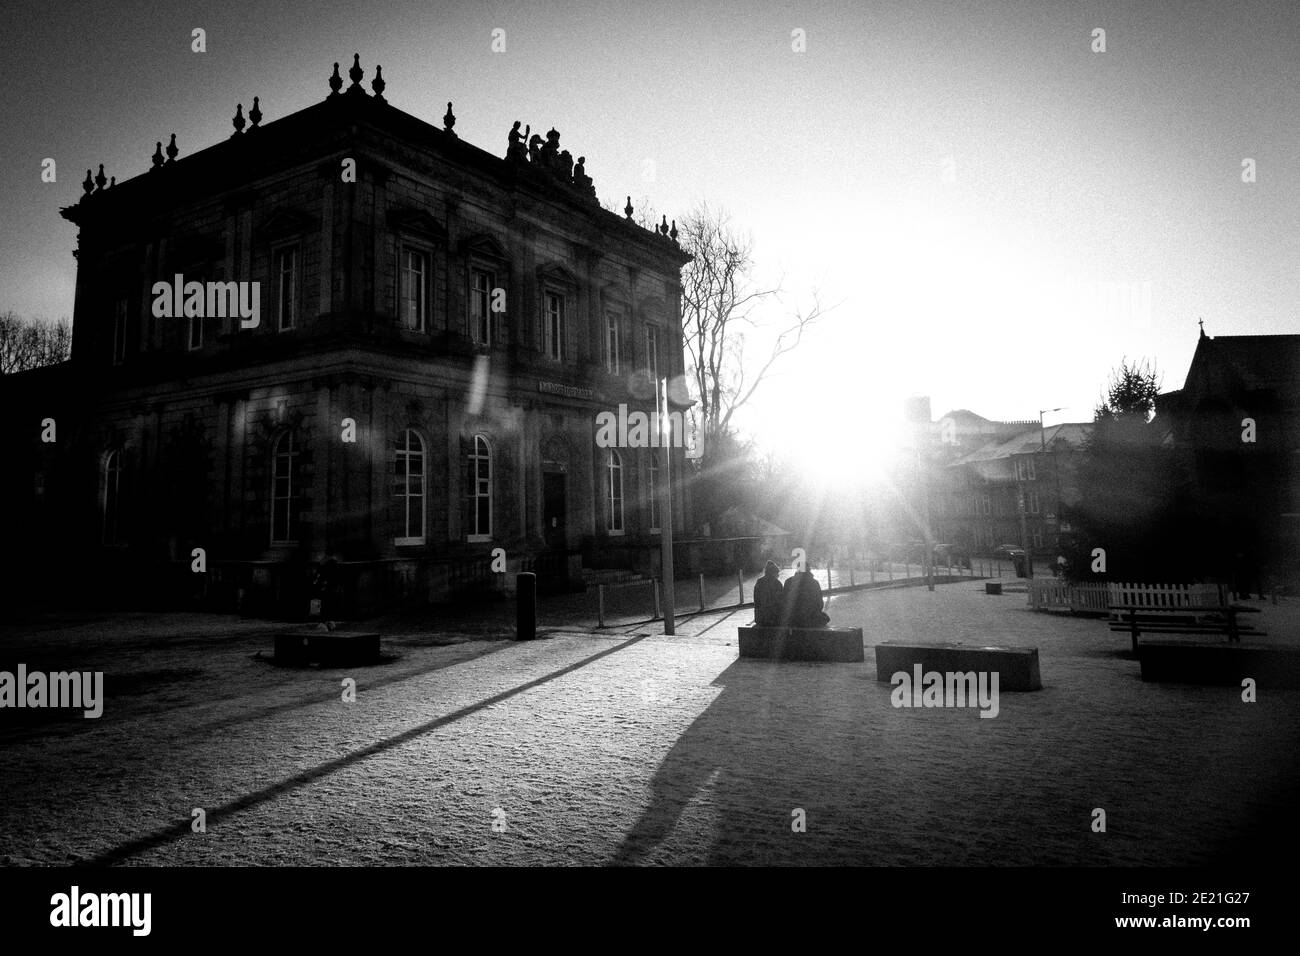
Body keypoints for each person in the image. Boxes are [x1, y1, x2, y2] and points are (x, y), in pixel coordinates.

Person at [753, 561, 784, 626]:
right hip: (774, 618)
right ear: (774, 573)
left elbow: (756, 599)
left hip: (760, 618)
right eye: (777, 574)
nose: (778, 576)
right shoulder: (777, 584)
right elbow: (780, 601)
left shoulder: (759, 582)